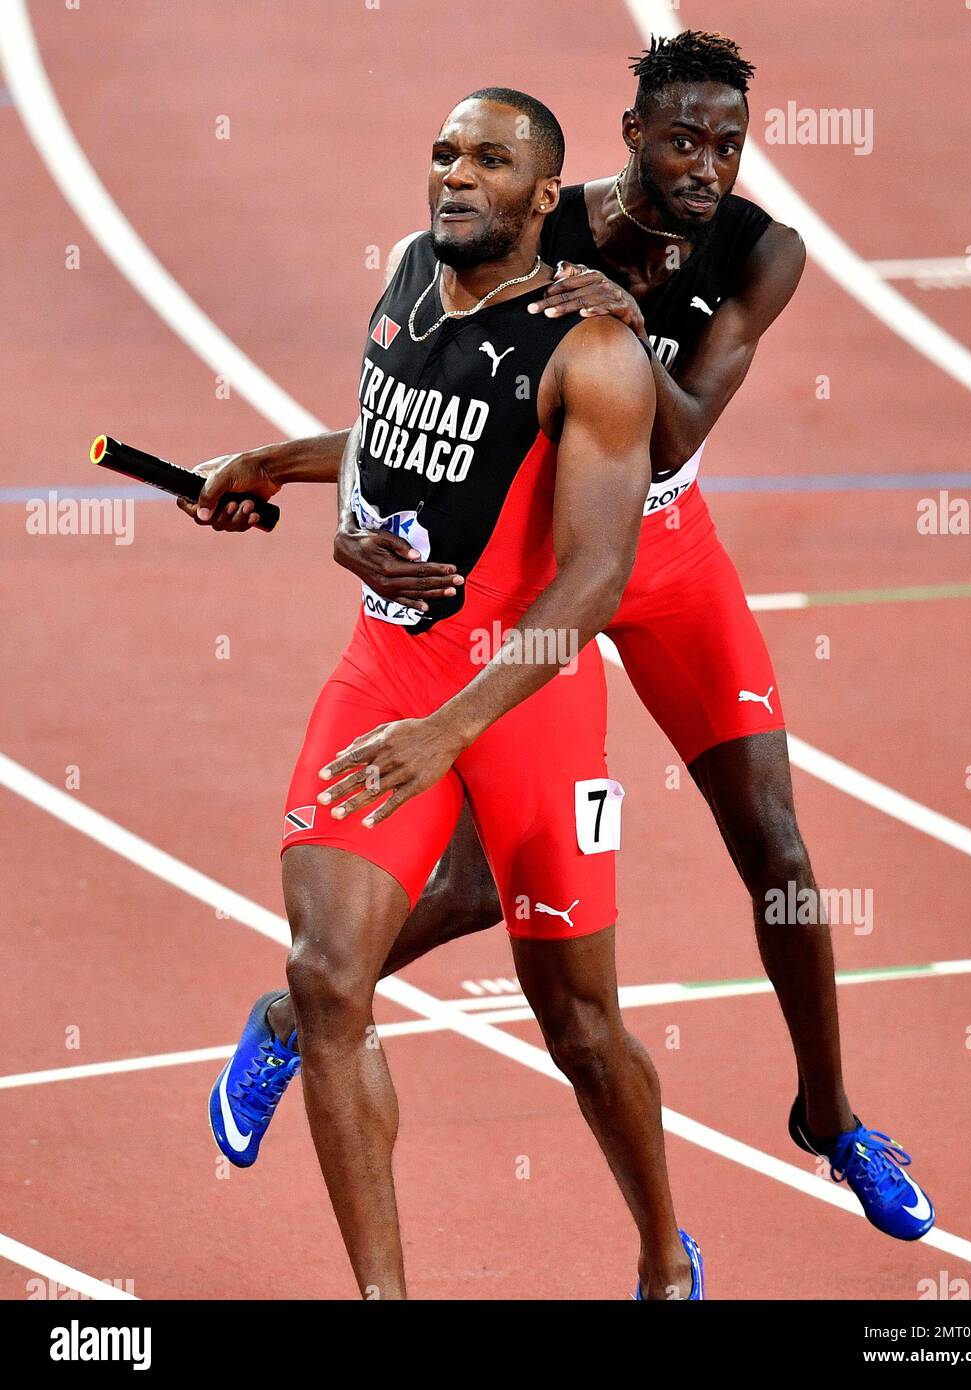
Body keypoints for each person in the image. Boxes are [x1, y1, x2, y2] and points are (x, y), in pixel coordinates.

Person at [191, 33, 933, 1246]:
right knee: (485, 884)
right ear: (627, 140)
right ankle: (303, 1009)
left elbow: (675, 437)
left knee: (781, 850)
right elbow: (429, 418)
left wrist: (628, 326)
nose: (708, 166)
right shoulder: (535, 217)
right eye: (684, 140)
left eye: (728, 145)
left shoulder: (762, 251)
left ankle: (834, 1117)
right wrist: (309, 485)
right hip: (549, 576)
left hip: (663, 554)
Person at [196, 87, 704, 1300]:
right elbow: (402, 437)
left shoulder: (593, 352)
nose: (454, 174)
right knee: (329, 975)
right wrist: (286, 472)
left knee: (578, 1023)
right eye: (441, 152)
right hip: (390, 664)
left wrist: (455, 728)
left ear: (544, 195)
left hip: (523, 695)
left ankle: (659, 1255)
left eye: (489, 158)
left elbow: (592, 583)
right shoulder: (410, 280)